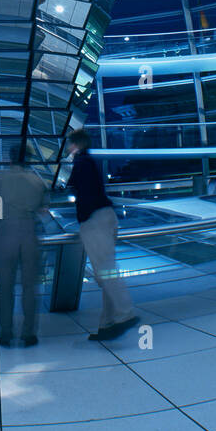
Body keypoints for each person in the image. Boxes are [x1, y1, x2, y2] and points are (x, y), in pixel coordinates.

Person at [66, 130, 138, 341]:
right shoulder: (90, 162)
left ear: (76, 145)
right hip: (107, 217)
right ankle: (107, 324)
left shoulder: (81, 163)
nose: (68, 149)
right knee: (107, 271)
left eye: (70, 145)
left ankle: (125, 314)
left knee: (105, 271)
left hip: (95, 221)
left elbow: (73, 187)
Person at [0, 148, 47, 347]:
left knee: (4, 288)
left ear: (9, 158)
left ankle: (6, 334)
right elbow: (44, 210)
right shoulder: (38, 182)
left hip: (5, 234)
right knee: (30, 288)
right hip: (30, 234)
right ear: (28, 161)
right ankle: (28, 334)